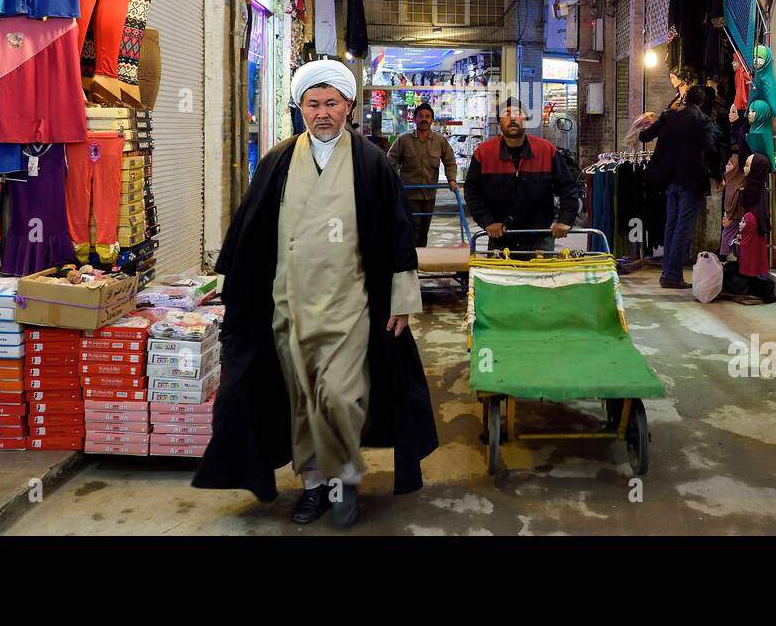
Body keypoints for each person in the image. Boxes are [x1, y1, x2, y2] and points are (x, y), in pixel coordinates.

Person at [193, 58, 438, 529]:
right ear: (300, 107)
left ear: (347, 105)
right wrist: (235, 291)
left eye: (331, 103)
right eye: (313, 103)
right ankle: (311, 486)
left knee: (342, 398)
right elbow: (249, 230)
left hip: (351, 308)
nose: (322, 112)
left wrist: (402, 298)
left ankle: (342, 481)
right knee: (301, 401)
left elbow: (397, 232)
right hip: (288, 307)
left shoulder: (371, 163)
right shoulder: (278, 162)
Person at [464, 97, 582, 253]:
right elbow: (472, 192)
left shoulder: (546, 151)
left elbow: (568, 187)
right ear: (500, 121)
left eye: (517, 113)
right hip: (500, 237)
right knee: (499, 278)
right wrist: (487, 221)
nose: (512, 117)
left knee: (542, 277)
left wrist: (565, 220)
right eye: (507, 113)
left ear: (525, 119)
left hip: (540, 237)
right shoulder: (484, 153)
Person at [636, 85, 721, 288]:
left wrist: (647, 124)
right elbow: (710, 149)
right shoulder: (701, 119)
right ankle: (672, 275)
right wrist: (718, 174)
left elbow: (644, 137)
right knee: (683, 227)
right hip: (691, 180)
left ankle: (668, 272)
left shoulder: (669, 115)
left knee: (671, 225)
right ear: (701, 102)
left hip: (669, 180)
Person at [388, 102, 458, 248]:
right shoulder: (403, 140)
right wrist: (390, 182)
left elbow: (450, 161)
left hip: (429, 194)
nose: (424, 119)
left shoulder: (440, 141)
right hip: (409, 193)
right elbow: (390, 162)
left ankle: (421, 258)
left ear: (432, 120)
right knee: (412, 227)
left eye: (427, 116)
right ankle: (410, 259)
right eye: (421, 116)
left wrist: (452, 180)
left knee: (424, 229)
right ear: (414, 119)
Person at [723, 152, 776, 302]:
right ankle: (753, 283)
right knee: (753, 254)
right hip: (754, 222)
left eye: (748, 166)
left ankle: (749, 285)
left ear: (756, 169)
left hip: (750, 222)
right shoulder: (757, 187)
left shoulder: (751, 188)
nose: (745, 169)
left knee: (749, 256)